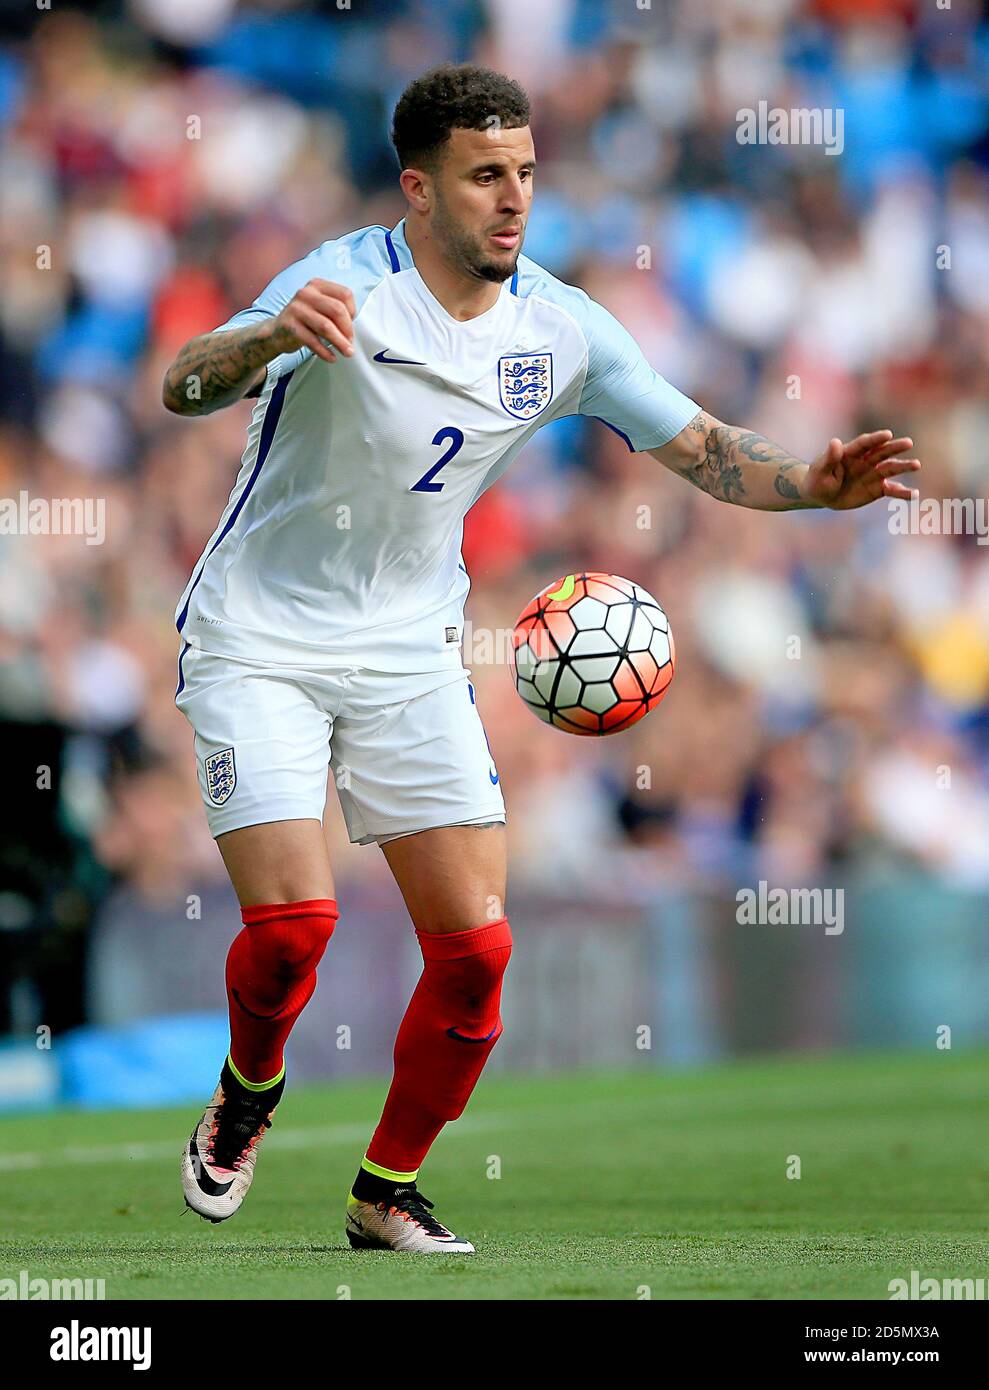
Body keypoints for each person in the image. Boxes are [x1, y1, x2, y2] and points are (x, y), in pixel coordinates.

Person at [162, 63, 920, 1254]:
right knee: (295, 928)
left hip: (409, 650)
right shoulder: (338, 286)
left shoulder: (558, 327)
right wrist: (265, 335)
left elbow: (706, 447)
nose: (512, 200)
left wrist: (810, 489)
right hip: (258, 637)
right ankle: (249, 1087)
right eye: (482, 178)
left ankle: (383, 1189)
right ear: (417, 189)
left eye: (523, 173)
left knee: (476, 958)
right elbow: (182, 383)